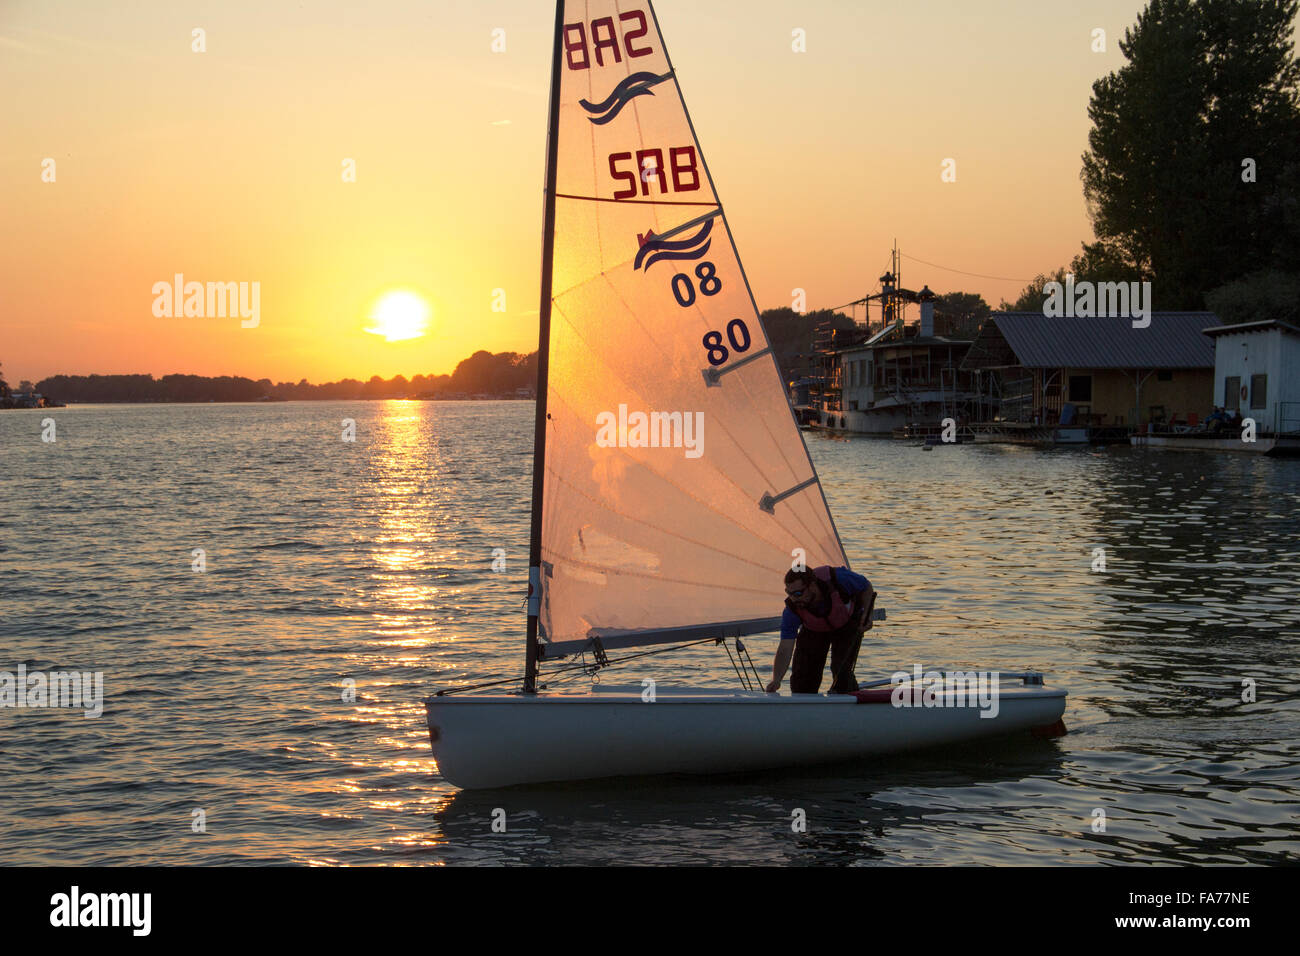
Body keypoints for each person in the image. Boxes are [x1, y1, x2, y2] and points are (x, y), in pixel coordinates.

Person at [766, 565, 874, 695]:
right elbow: (785, 647)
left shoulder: (839, 578)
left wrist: (867, 614)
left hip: (846, 624)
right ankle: (806, 708)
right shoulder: (792, 610)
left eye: (798, 593)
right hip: (814, 629)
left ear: (812, 586)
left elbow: (866, 587)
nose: (794, 599)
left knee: (841, 671)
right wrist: (776, 680)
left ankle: (850, 701)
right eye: (789, 593)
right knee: (803, 678)